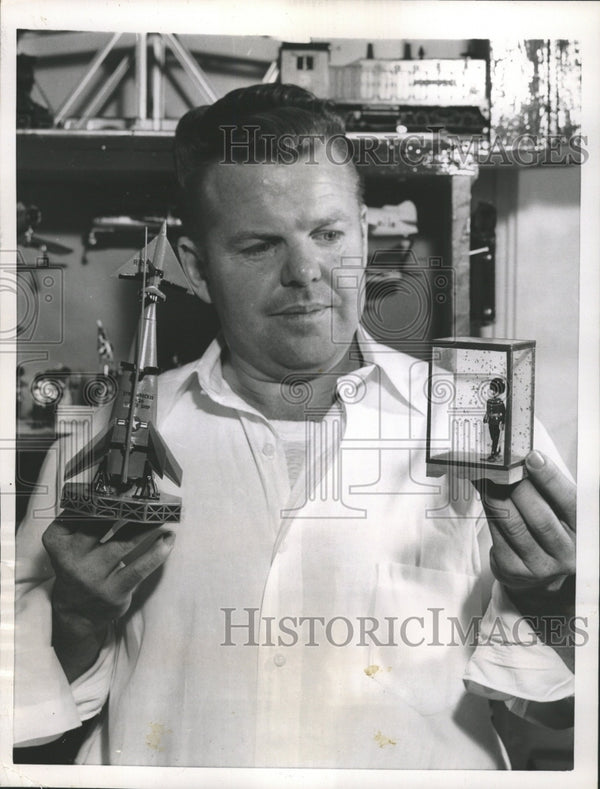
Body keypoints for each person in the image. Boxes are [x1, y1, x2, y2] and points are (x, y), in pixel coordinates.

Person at [14, 84, 576, 768]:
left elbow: (560, 712)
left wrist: (557, 598)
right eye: (258, 245)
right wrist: (74, 620)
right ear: (195, 266)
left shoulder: (478, 419)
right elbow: (18, 709)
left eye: (329, 233)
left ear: (366, 236)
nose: (306, 272)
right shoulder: (110, 434)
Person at [483, 377, 506, 461]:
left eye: (495, 391)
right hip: (491, 421)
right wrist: (486, 417)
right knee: (493, 437)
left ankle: (493, 453)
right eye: (492, 390)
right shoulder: (489, 401)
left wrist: (503, 422)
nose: (493, 392)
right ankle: (495, 452)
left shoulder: (500, 402)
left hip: (497, 422)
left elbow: (504, 413)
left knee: (496, 438)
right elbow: (487, 411)